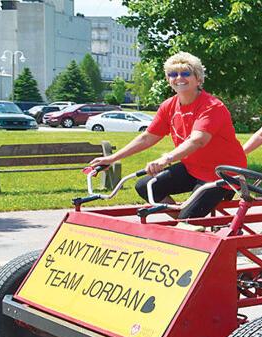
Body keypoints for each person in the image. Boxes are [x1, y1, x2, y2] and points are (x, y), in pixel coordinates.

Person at [89, 52, 246, 219]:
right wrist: (111, 159)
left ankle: (186, 223)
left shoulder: (212, 106)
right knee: (146, 185)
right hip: (192, 169)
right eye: (173, 74)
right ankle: (183, 221)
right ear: (168, 80)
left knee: (188, 218)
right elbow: (147, 137)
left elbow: (198, 140)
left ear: (198, 79)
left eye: (186, 73)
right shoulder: (168, 106)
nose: (179, 78)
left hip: (222, 173)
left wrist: (166, 159)